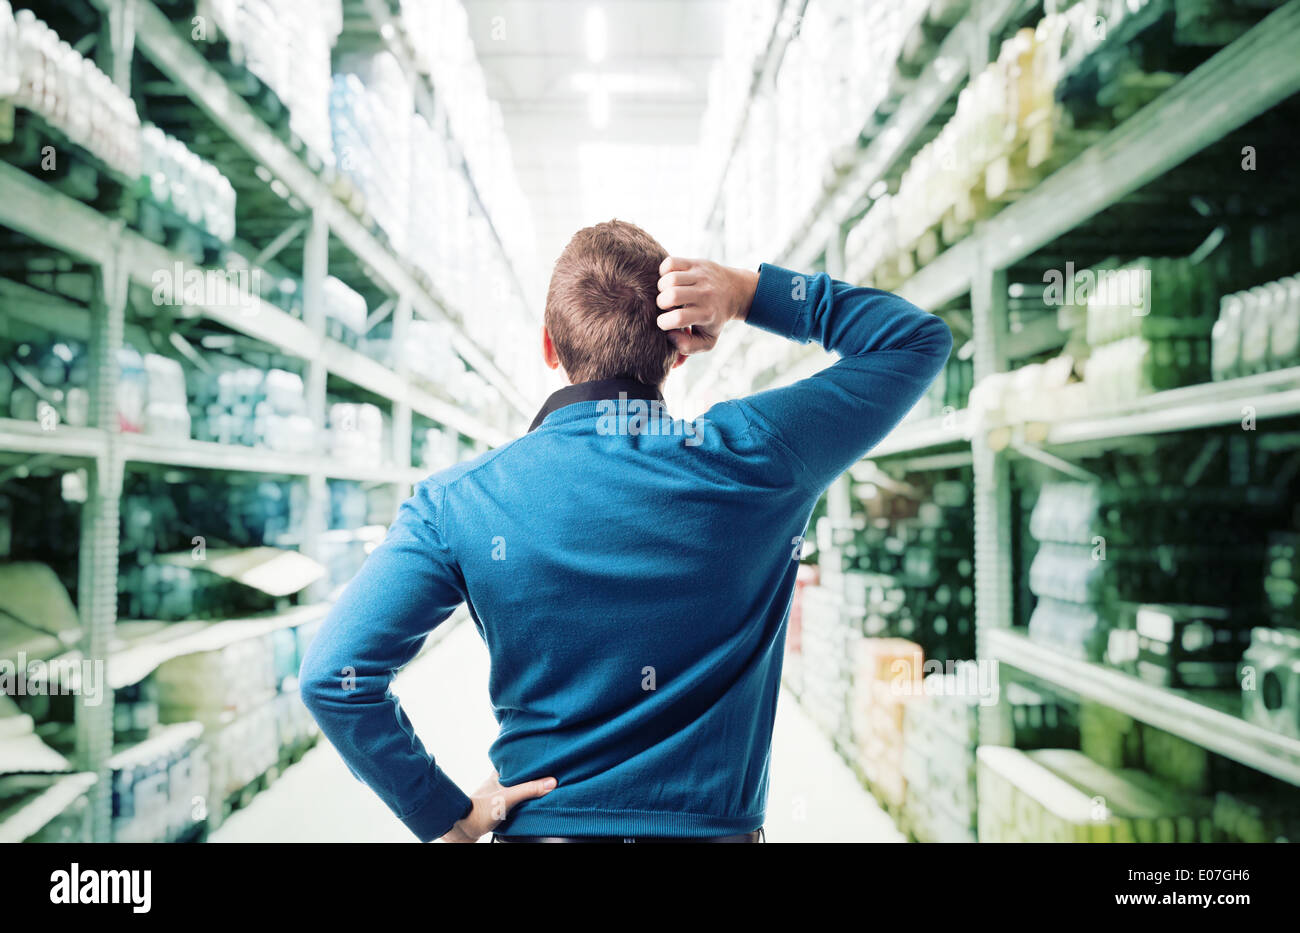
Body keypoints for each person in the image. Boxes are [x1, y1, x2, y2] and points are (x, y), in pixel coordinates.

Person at [299, 219, 952, 843]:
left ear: (549, 346)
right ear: (678, 348)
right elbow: (914, 341)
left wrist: (446, 814)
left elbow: (335, 674)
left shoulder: (459, 502)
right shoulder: (759, 455)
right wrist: (748, 293)